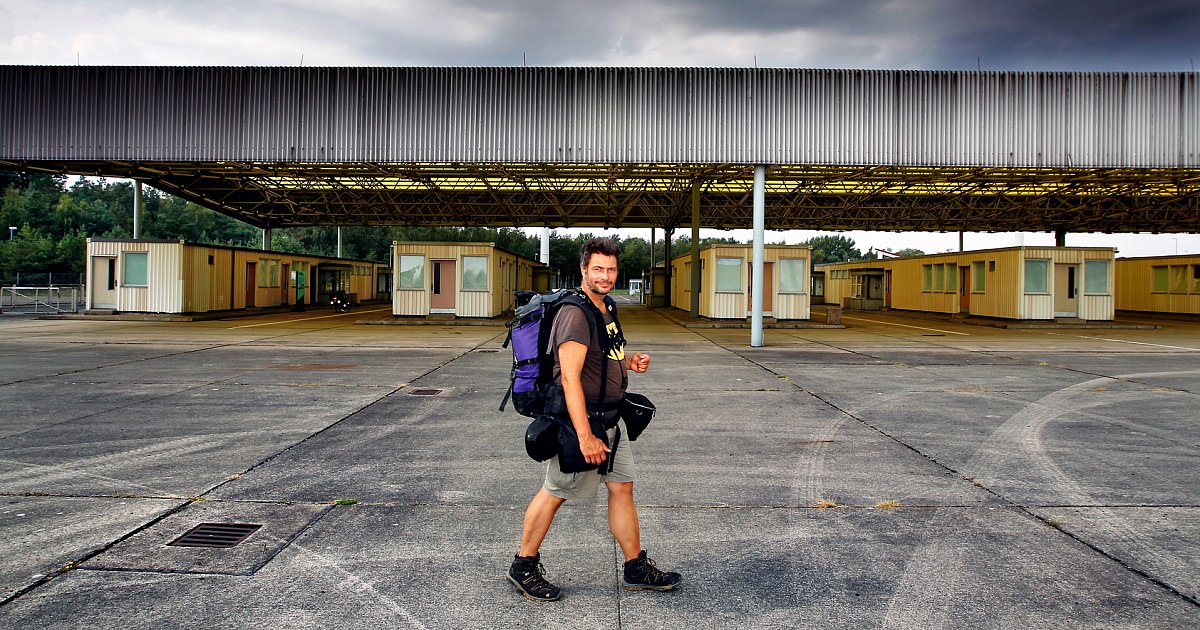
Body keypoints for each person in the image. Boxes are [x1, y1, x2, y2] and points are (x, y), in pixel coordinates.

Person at [507, 236, 681, 602]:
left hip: (612, 419)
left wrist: (629, 361)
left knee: (622, 488)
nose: (606, 275)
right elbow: (569, 377)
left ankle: (635, 565)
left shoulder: (605, 307)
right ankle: (523, 565)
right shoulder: (575, 314)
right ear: (584, 269)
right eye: (598, 268)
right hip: (582, 423)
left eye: (612, 269)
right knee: (555, 491)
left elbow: (604, 355)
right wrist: (584, 435)